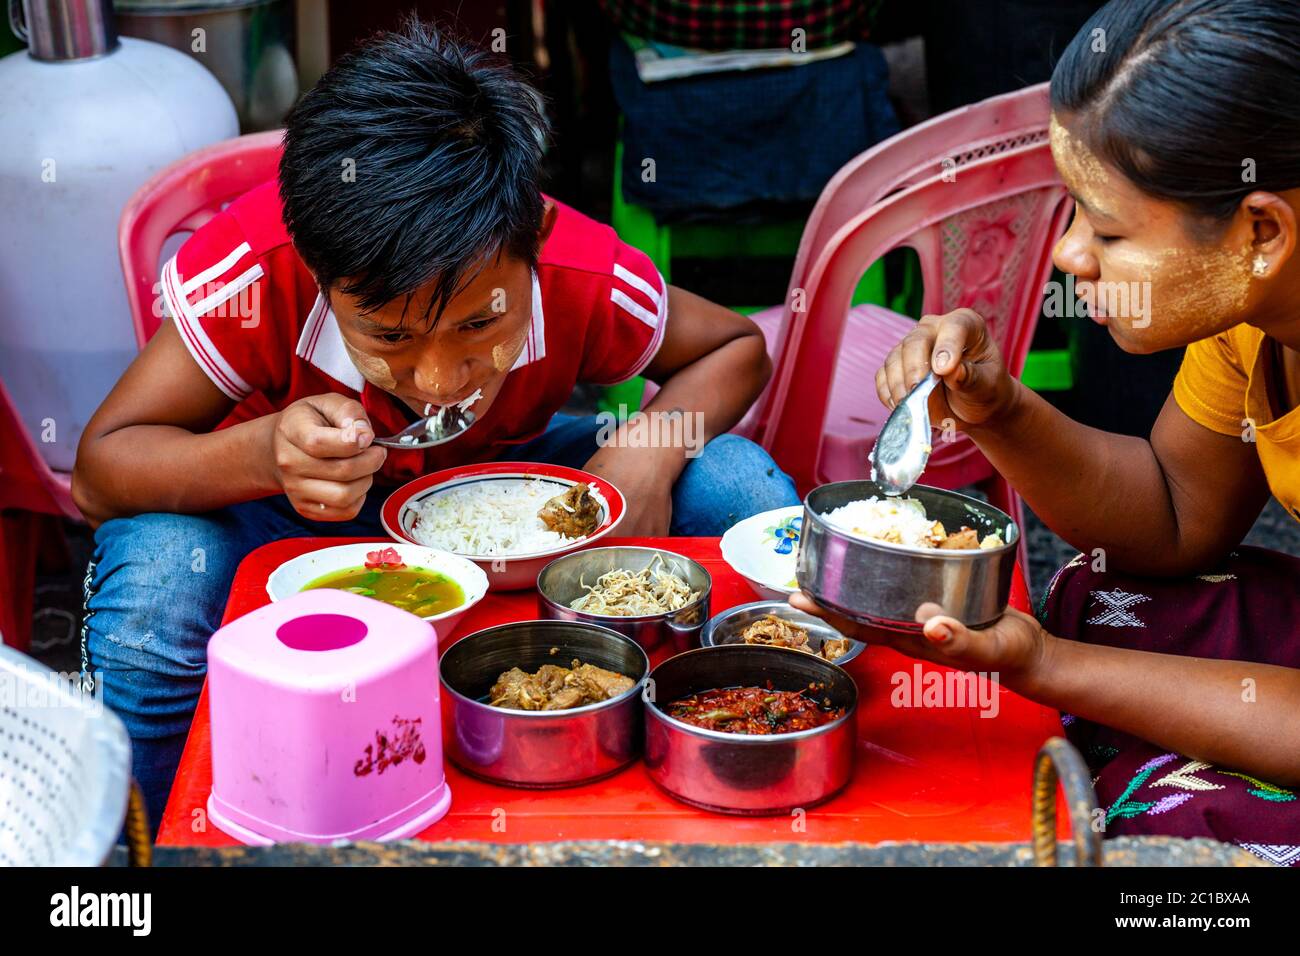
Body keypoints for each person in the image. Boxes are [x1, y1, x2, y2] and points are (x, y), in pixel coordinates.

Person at [72, 20, 798, 828]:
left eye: (482, 328)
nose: (437, 381)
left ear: (537, 247)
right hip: (287, 517)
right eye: (388, 339)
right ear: (318, 274)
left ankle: (750, 755)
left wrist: (645, 453)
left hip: (512, 497)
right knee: (162, 579)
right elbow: (102, 472)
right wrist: (262, 456)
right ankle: (144, 842)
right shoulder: (254, 272)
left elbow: (736, 347)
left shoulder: (582, 273)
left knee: (732, 477)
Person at [795, 0, 1300, 866]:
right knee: (1095, 597)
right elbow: (1177, 518)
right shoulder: (1249, 314)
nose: (1069, 254)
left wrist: (1043, 668)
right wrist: (999, 408)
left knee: (1176, 853)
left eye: (1106, 228)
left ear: (1261, 231)